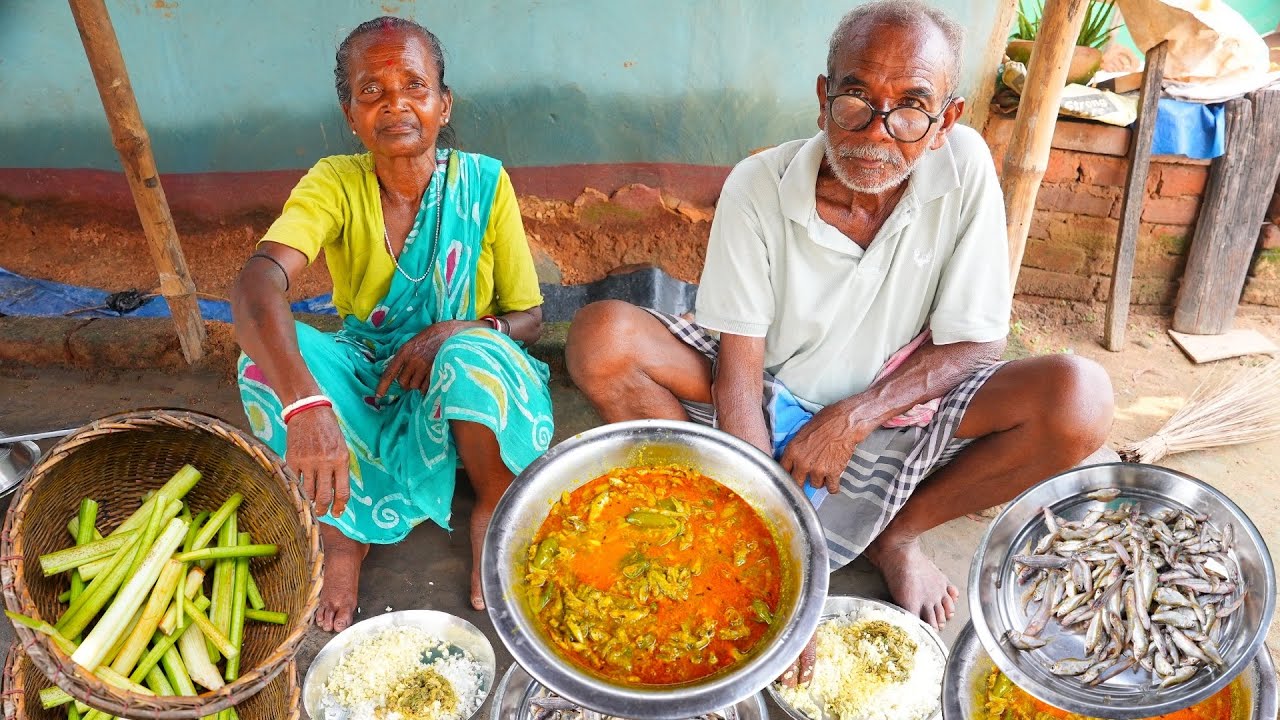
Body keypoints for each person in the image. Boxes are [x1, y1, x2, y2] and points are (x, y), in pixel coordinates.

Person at [566, 0, 1114, 651]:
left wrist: (853, 418)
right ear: (823, 99)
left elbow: (977, 342)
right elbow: (738, 375)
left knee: (1080, 399)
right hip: (770, 387)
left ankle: (897, 537)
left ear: (946, 121)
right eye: (856, 99)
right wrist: (769, 550)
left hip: (896, 402)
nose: (877, 133)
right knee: (600, 338)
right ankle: (710, 509)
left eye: (911, 108)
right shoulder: (758, 185)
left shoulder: (964, 165)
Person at [231, 16, 553, 632]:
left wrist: (452, 332)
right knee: (266, 361)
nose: (395, 104)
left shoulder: (485, 182)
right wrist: (306, 405)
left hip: (466, 384)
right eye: (372, 91)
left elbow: (530, 319)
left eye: (414, 85)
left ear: (443, 104)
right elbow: (257, 285)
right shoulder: (334, 182)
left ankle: (492, 505)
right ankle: (342, 534)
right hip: (373, 374)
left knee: (468, 353)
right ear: (350, 114)